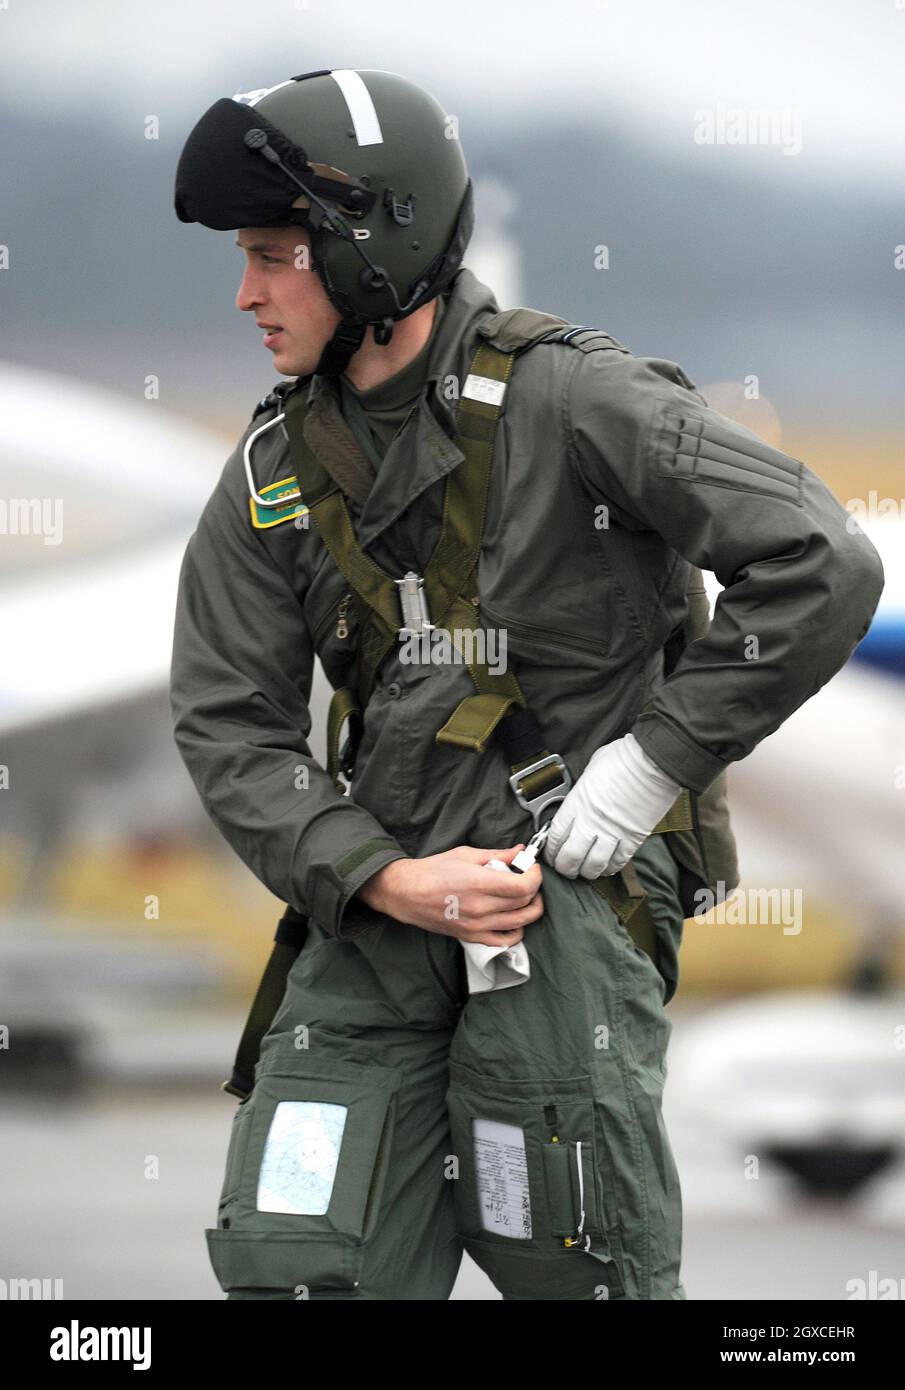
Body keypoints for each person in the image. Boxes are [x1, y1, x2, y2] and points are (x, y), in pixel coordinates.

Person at [169, 68, 885, 1300]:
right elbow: (228, 717)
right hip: (384, 890)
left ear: (369, 247)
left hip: (571, 877)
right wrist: (381, 874)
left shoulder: (577, 400)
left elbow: (818, 562)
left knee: (570, 1250)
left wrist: (653, 762)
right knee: (297, 1256)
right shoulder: (274, 469)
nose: (246, 293)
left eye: (277, 254)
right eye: (245, 256)